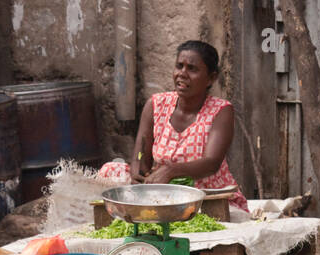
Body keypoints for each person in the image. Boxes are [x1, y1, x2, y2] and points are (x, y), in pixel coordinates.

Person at [100, 41, 248, 211]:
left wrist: (172, 170)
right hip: (161, 190)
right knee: (111, 170)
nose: (182, 74)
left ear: (211, 78)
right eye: (179, 66)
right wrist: (138, 169)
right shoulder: (156, 104)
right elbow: (141, 150)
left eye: (192, 69)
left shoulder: (221, 110)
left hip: (203, 193)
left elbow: (211, 163)